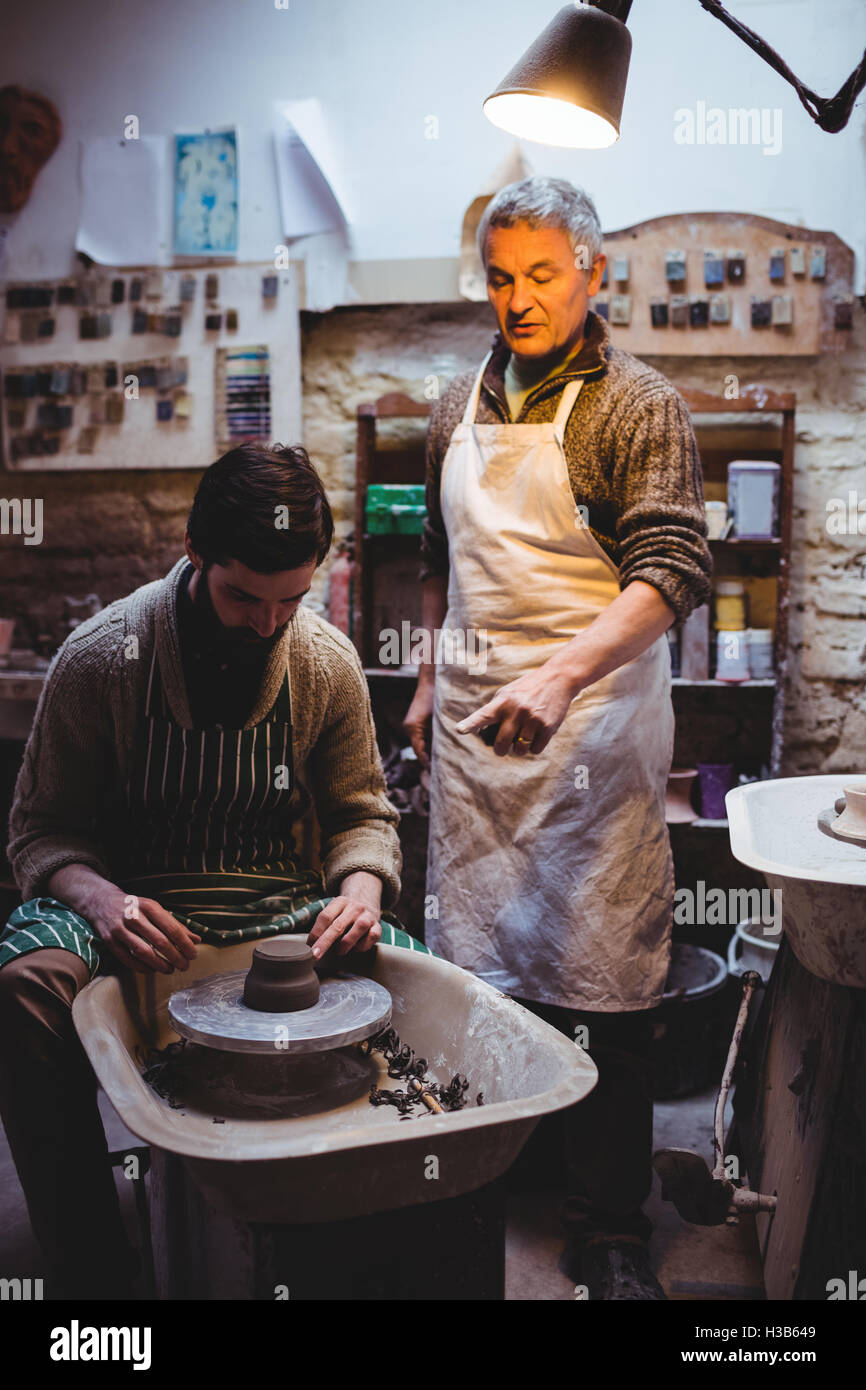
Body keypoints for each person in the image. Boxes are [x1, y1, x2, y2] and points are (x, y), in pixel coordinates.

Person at [1, 442, 424, 1299]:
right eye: (243, 596)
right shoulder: (102, 658)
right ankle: (93, 1268)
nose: (269, 622)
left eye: (291, 600)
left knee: (418, 971)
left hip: (271, 900)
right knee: (24, 983)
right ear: (195, 551)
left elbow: (361, 816)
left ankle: (367, 1232)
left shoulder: (324, 659)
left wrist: (360, 890)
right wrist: (102, 897)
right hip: (127, 907)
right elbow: (40, 834)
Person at [403, 177, 713, 1300]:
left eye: (542, 273)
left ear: (592, 270)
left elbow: (673, 569)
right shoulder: (455, 405)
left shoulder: (637, 405)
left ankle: (608, 1223)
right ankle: (488, 1180)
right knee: (480, 977)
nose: (519, 297)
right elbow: (443, 562)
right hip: (479, 743)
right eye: (500, 276)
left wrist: (559, 672)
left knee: (600, 981)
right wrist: (434, 676)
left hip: (592, 734)